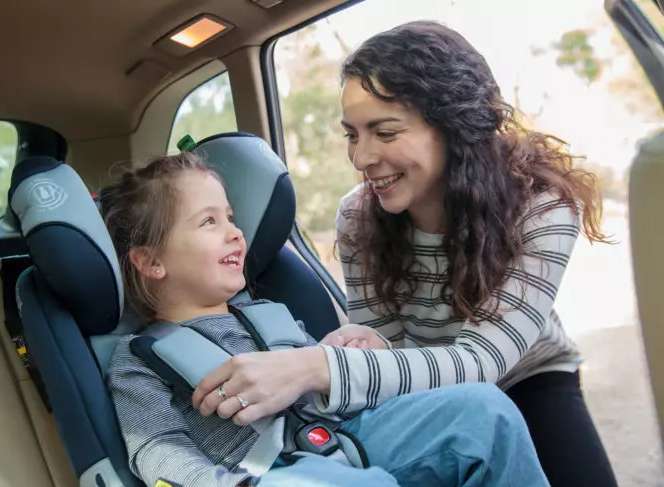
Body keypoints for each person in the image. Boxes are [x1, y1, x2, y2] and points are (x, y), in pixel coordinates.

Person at [101, 152, 550, 487]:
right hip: (265, 470)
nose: (234, 231)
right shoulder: (140, 358)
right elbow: (155, 447)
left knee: (482, 409)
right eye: (208, 222)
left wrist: (346, 354)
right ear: (151, 261)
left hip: (349, 430)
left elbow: (323, 385)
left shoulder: (269, 313)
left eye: (231, 218)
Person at [323, 20, 616, 487]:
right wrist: (364, 349)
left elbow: (482, 362)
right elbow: (383, 352)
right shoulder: (358, 219)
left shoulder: (542, 206)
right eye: (352, 134)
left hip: (529, 374)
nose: (360, 158)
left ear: (451, 125)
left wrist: (319, 370)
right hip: (424, 384)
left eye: (384, 131)